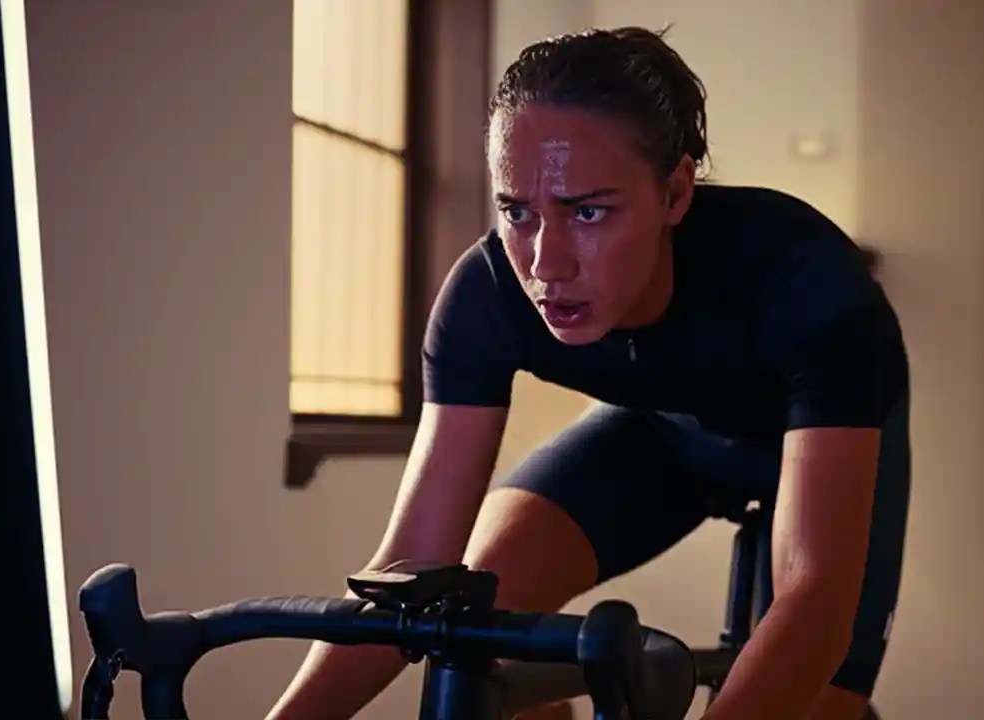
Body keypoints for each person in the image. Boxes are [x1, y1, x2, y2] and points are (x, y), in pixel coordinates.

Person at [268, 25, 911, 720]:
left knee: (819, 704)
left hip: (824, 440)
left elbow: (814, 599)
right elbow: (413, 564)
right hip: (659, 437)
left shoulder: (811, 281)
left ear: (676, 192)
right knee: (482, 629)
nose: (546, 264)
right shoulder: (485, 295)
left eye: (589, 211)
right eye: (517, 210)